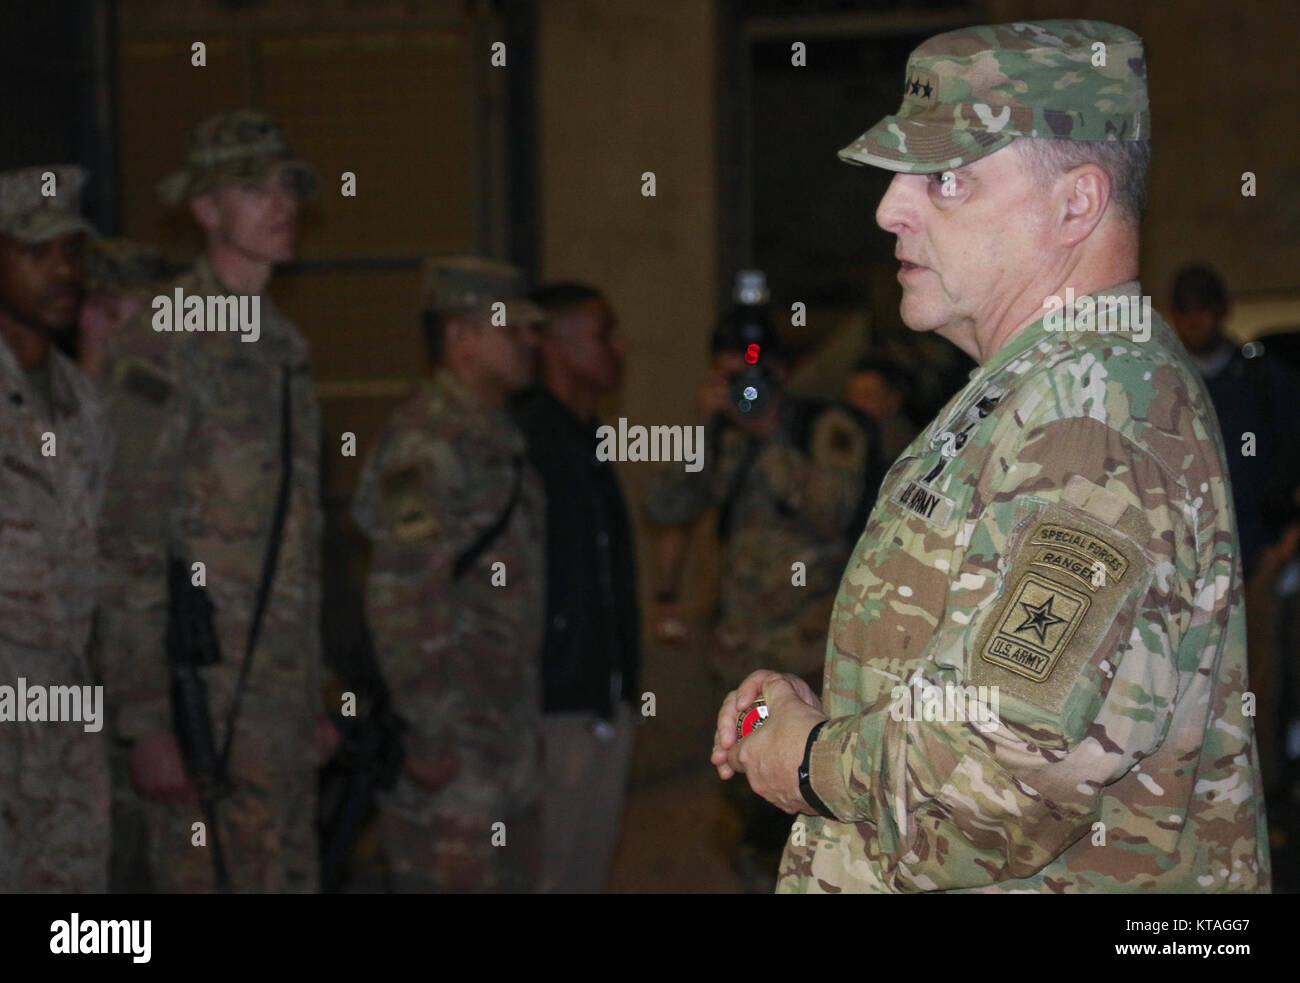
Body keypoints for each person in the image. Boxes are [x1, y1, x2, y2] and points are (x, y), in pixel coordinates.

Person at [711, 19, 1270, 893]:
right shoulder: (1044, 387)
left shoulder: (1094, 418)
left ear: (1076, 204)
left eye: (944, 178)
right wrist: (825, 706)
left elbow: (1001, 779)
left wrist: (808, 754)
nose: (890, 208)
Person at [97, 110, 337, 893]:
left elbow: (297, 540)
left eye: (287, 186)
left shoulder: (283, 345)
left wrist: (314, 692)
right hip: (202, 700)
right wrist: (146, 724)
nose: (281, 202)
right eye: (252, 187)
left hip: (277, 708)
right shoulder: (165, 337)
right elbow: (127, 538)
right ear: (205, 210)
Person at [649, 270, 878, 888]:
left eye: (754, 375)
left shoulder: (823, 429)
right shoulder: (720, 436)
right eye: (731, 377)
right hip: (741, 667)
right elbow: (666, 506)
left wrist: (770, 433)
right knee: (750, 802)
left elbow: (831, 513)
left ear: (781, 372)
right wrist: (702, 428)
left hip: (808, 668)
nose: (745, 389)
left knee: (812, 809)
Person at [353, 256, 547, 892]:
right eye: (512, 327)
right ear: (460, 335)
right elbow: (402, 596)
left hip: (504, 735)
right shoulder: (426, 443)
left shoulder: (494, 434)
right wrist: (429, 731)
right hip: (454, 748)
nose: (529, 341)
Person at [0, 164, 110, 892]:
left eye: (72, 251)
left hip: (67, 702)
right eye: (37, 252)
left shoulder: (82, 402)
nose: (62, 270)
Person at [510, 282, 640, 893]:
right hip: (553, 711)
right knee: (549, 872)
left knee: (583, 872)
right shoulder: (524, 442)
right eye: (602, 334)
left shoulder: (588, 439)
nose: (618, 348)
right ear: (556, 346)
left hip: (601, 700)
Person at [1169, 264, 1299, 582]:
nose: (1194, 321)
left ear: (1222, 308)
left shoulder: (1263, 377)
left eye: (1203, 308)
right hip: (1186, 561)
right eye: (1184, 310)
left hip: (1263, 554)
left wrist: (1286, 544)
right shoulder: (1164, 382)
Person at [844, 352, 919, 464]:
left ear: (893, 401)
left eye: (867, 396)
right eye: (852, 395)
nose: (856, 404)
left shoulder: (904, 449)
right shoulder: (849, 438)